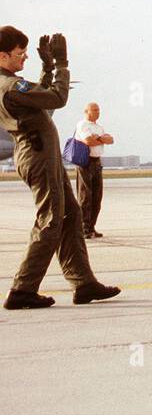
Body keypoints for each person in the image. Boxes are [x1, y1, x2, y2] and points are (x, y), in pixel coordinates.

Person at [0, 26, 120, 310]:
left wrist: (46, 67)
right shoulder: (10, 87)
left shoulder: (11, 85)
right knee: (51, 219)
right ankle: (22, 289)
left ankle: (84, 283)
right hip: (38, 155)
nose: (25, 57)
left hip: (41, 155)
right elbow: (57, 97)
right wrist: (62, 65)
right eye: (20, 54)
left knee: (70, 214)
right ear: (3, 56)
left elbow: (39, 96)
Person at [75, 102, 113, 239]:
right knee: (85, 196)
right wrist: (101, 140)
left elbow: (111, 140)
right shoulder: (83, 125)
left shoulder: (99, 127)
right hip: (86, 162)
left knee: (97, 197)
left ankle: (91, 227)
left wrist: (98, 138)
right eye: (95, 110)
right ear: (87, 112)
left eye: (98, 110)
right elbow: (88, 141)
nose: (98, 112)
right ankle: (83, 228)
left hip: (97, 162)